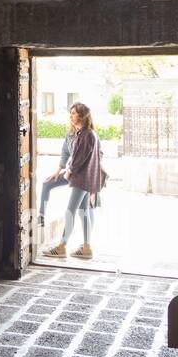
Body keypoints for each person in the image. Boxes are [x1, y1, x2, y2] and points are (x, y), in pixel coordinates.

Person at [42, 102, 102, 261]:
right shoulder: (88, 134)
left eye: (74, 113)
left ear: (82, 116)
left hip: (81, 180)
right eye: (71, 113)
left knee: (70, 212)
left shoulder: (86, 135)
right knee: (83, 213)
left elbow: (77, 160)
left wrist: (68, 172)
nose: (71, 116)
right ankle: (87, 248)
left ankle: (61, 247)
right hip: (86, 180)